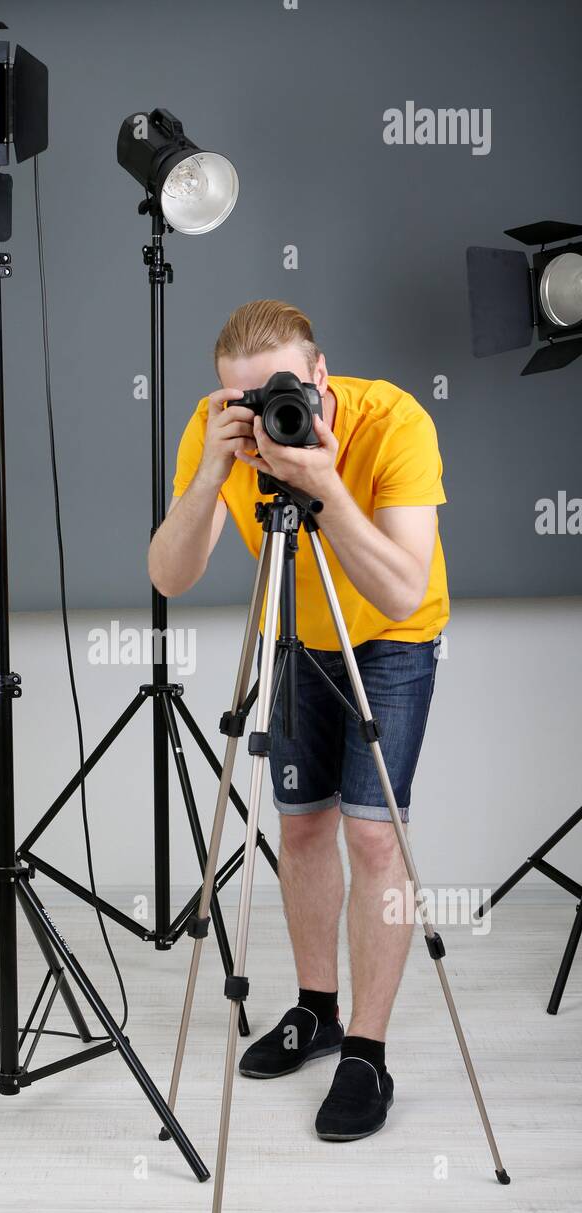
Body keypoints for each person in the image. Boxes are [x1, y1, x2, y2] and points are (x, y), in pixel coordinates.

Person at [148, 300, 449, 1141]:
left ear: (319, 377)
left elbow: (398, 588)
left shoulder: (393, 420)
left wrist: (320, 482)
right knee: (302, 829)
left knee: (374, 839)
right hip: (294, 636)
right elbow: (170, 576)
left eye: (280, 392)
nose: (264, 416)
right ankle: (318, 1011)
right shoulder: (221, 433)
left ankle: (367, 1051)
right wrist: (212, 470)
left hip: (391, 639)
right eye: (242, 401)